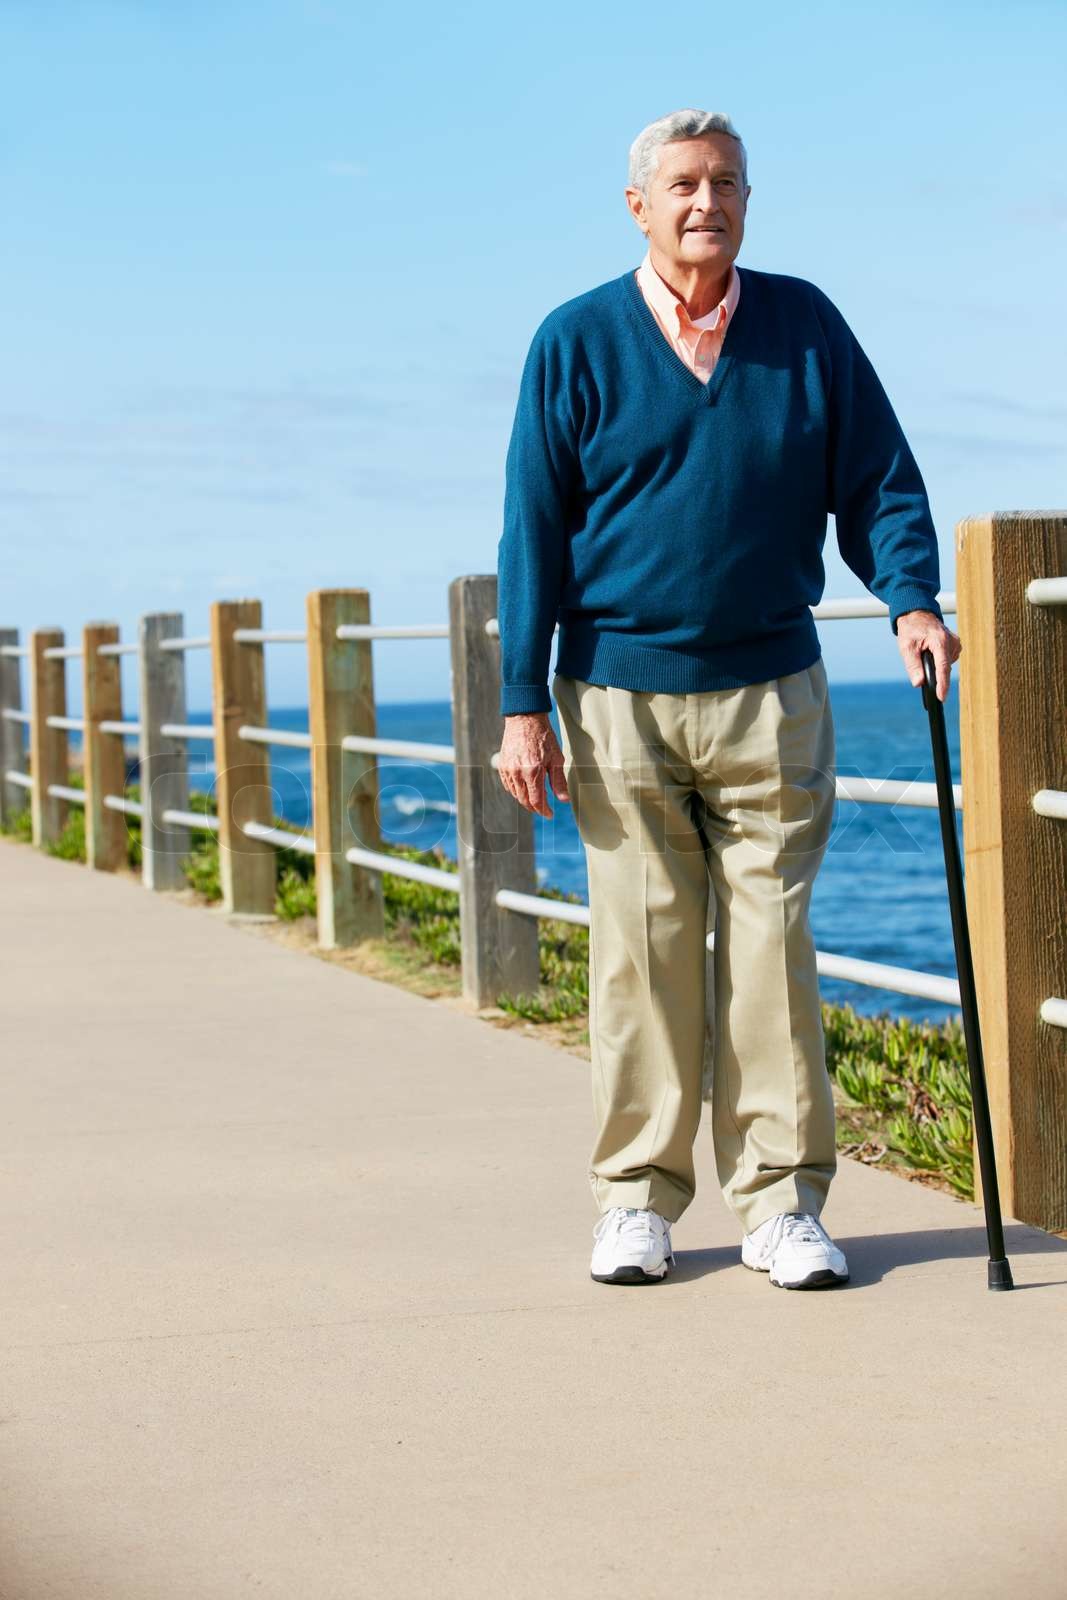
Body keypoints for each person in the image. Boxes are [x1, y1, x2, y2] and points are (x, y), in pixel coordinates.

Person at [495, 107, 962, 1290]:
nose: (708, 202)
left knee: (769, 951)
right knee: (642, 954)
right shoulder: (575, 341)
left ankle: (780, 1203)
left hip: (771, 687)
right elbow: (531, 531)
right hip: (614, 694)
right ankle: (636, 1201)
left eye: (728, 184)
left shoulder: (803, 326)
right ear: (638, 205)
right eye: (686, 184)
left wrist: (909, 596)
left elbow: (876, 477)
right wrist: (520, 702)